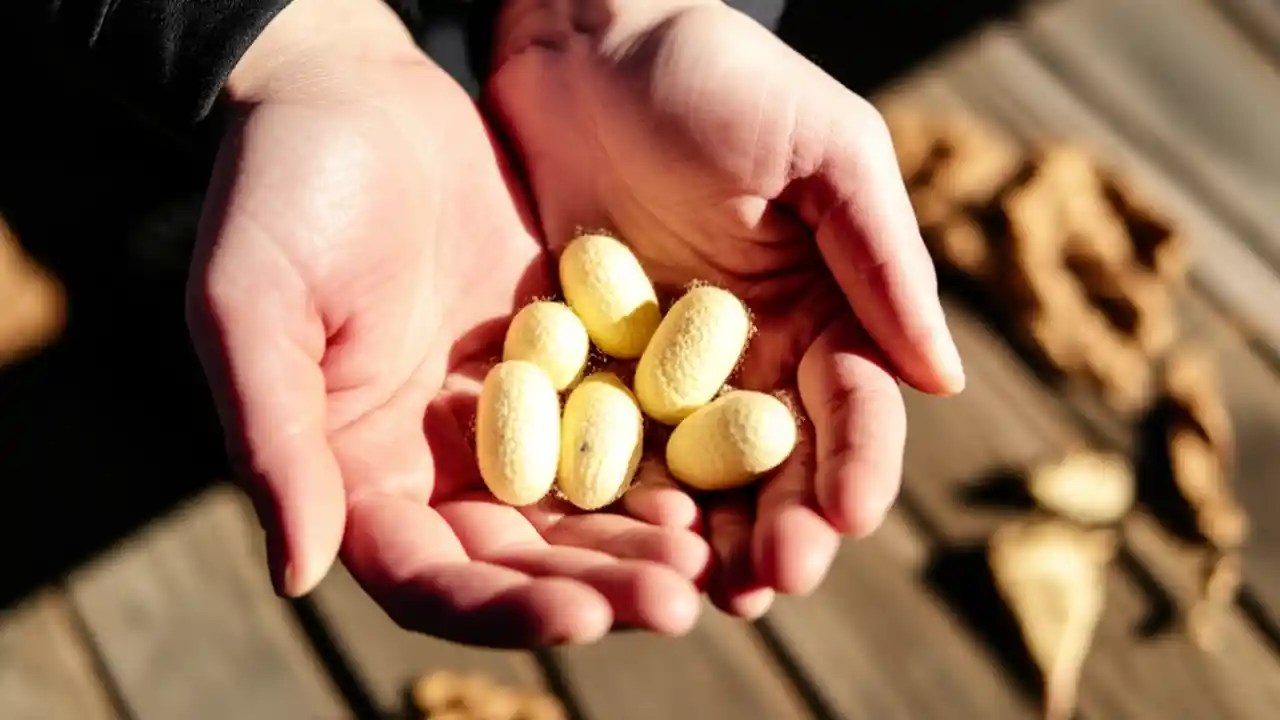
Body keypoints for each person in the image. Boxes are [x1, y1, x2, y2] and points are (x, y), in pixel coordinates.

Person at [31, 0, 965, 647]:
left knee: (235, 344)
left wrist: (603, 11)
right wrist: (272, 37)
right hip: (130, 83)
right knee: (162, 291)